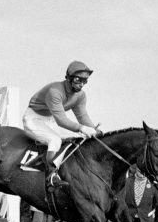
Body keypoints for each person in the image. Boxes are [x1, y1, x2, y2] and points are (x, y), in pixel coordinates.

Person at [23, 61, 100, 189]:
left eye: (84, 81)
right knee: (55, 140)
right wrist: (81, 128)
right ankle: (51, 175)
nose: (81, 84)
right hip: (33, 118)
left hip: (50, 120)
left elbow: (82, 116)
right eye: (77, 80)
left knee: (77, 138)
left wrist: (94, 129)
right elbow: (61, 120)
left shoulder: (81, 95)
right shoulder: (55, 91)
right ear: (69, 78)